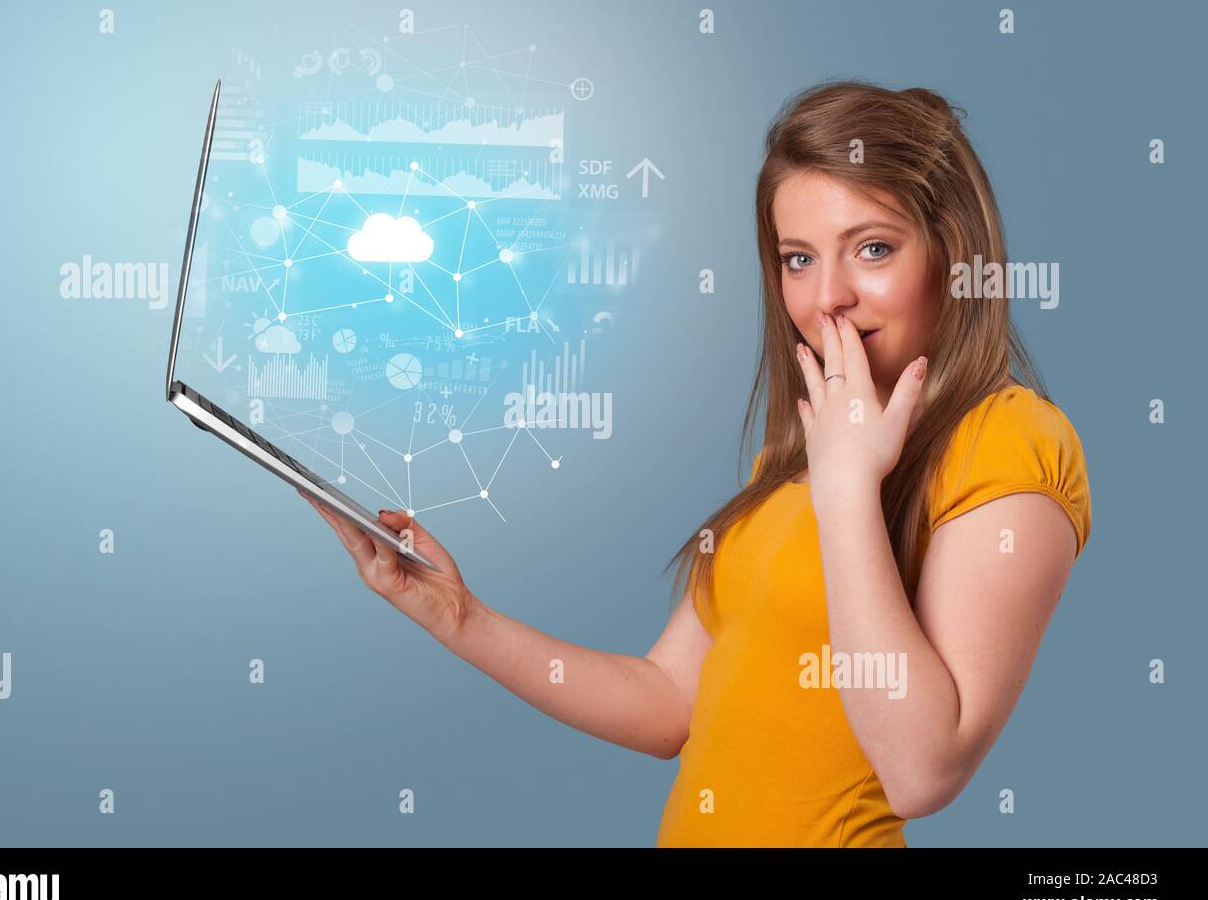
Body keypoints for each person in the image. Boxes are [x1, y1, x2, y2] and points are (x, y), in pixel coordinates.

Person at [299, 80, 1092, 847]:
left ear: (953, 254)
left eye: (873, 249)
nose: (828, 299)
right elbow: (669, 703)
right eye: (798, 260)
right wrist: (458, 617)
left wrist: (850, 490)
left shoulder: (1010, 439)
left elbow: (922, 770)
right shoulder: (793, 461)